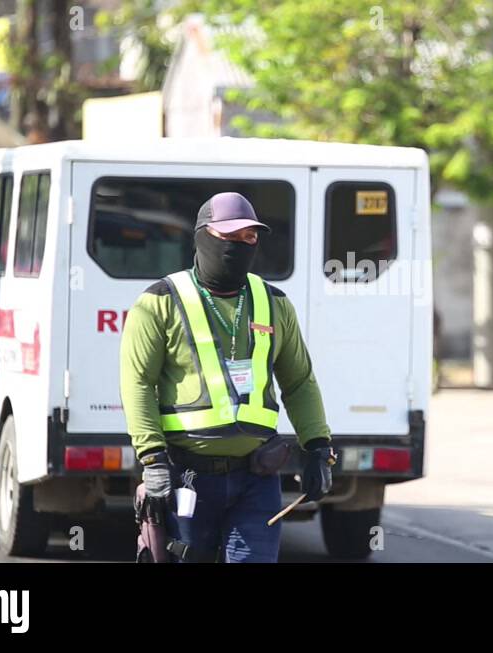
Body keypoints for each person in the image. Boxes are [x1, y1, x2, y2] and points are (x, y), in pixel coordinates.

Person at [120, 192, 335, 563]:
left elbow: (299, 381)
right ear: (203, 236)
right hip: (186, 475)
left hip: (257, 477)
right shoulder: (158, 301)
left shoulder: (273, 302)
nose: (241, 245)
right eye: (230, 237)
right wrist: (152, 460)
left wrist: (317, 446)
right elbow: (138, 383)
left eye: (249, 237)